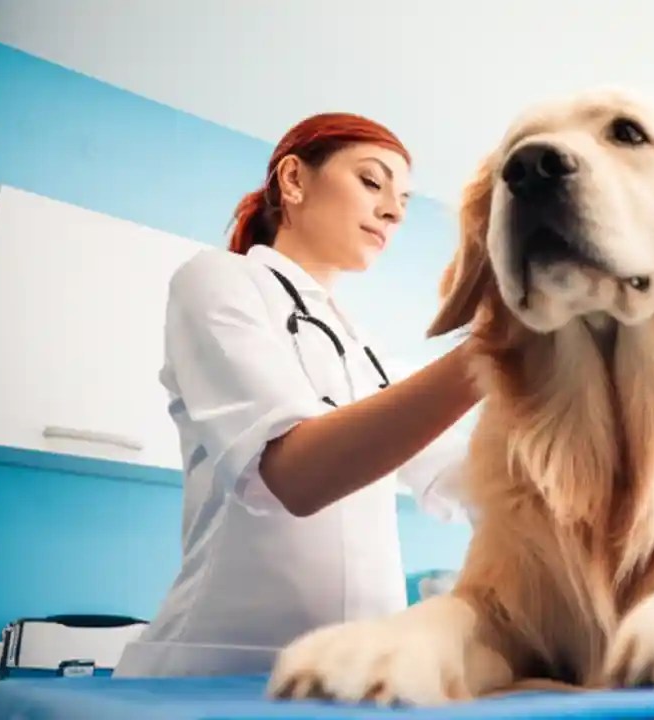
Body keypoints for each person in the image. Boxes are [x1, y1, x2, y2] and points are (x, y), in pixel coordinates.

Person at [114, 112, 481, 678]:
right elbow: (294, 475)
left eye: (403, 198)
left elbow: (461, 481)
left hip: (351, 675)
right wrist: (489, 352)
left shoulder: (367, 354)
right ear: (293, 180)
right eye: (371, 181)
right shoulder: (218, 281)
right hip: (219, 675)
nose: (395, 210)